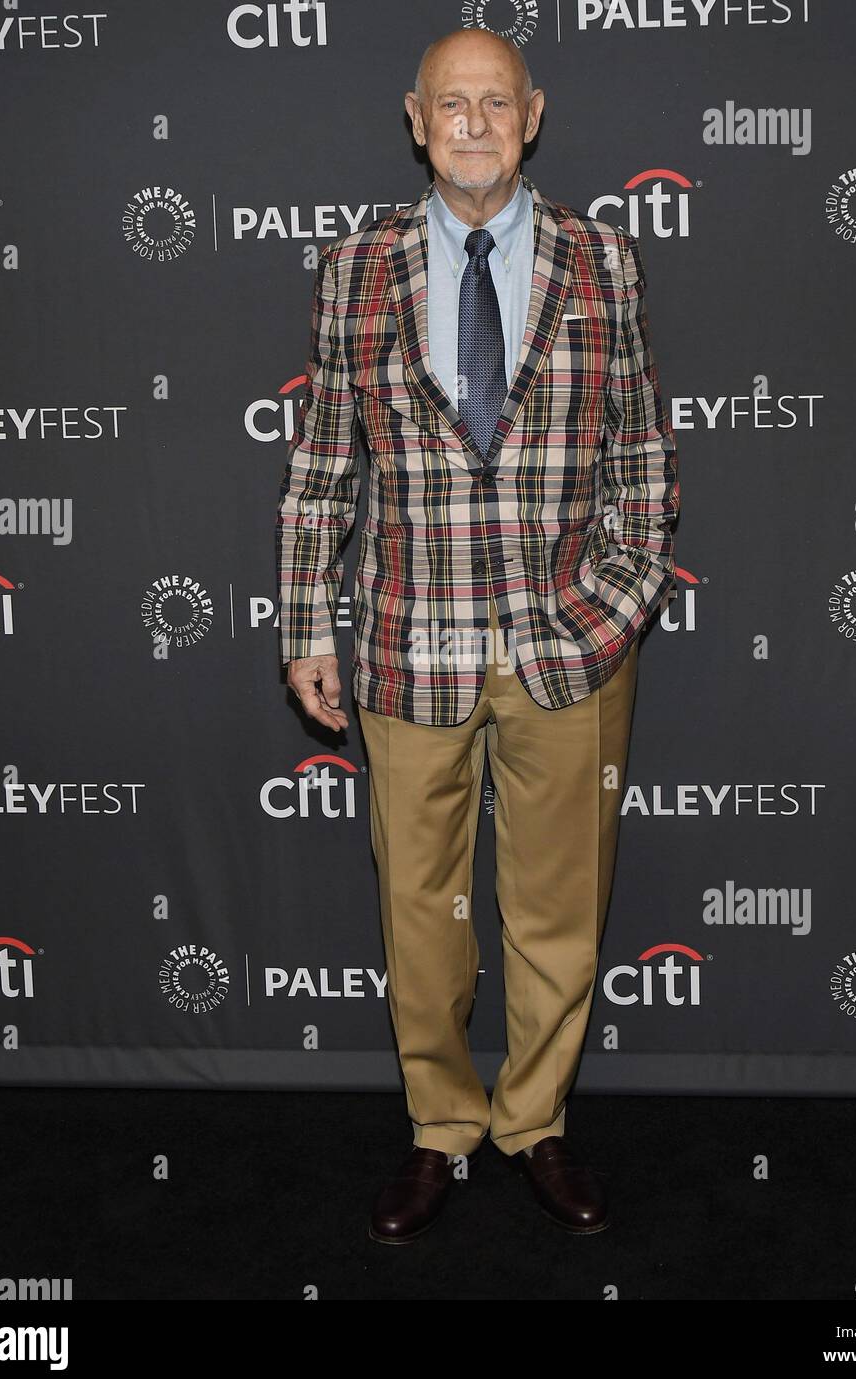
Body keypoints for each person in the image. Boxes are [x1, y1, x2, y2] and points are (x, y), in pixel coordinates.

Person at [275, 27, 679, 1243]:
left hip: (568, 647)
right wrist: (307, 619)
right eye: (447, 103)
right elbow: (321, 466)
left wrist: (609, 610)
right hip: (407, 642)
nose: (469, 122)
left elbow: (643, 457)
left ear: (532, 114)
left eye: (491, 102)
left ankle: (536, 1121)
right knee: (421, 909)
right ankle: (440, 1127)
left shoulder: (603, 260)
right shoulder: (354, 269)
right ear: (412, 119)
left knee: (559, 907)